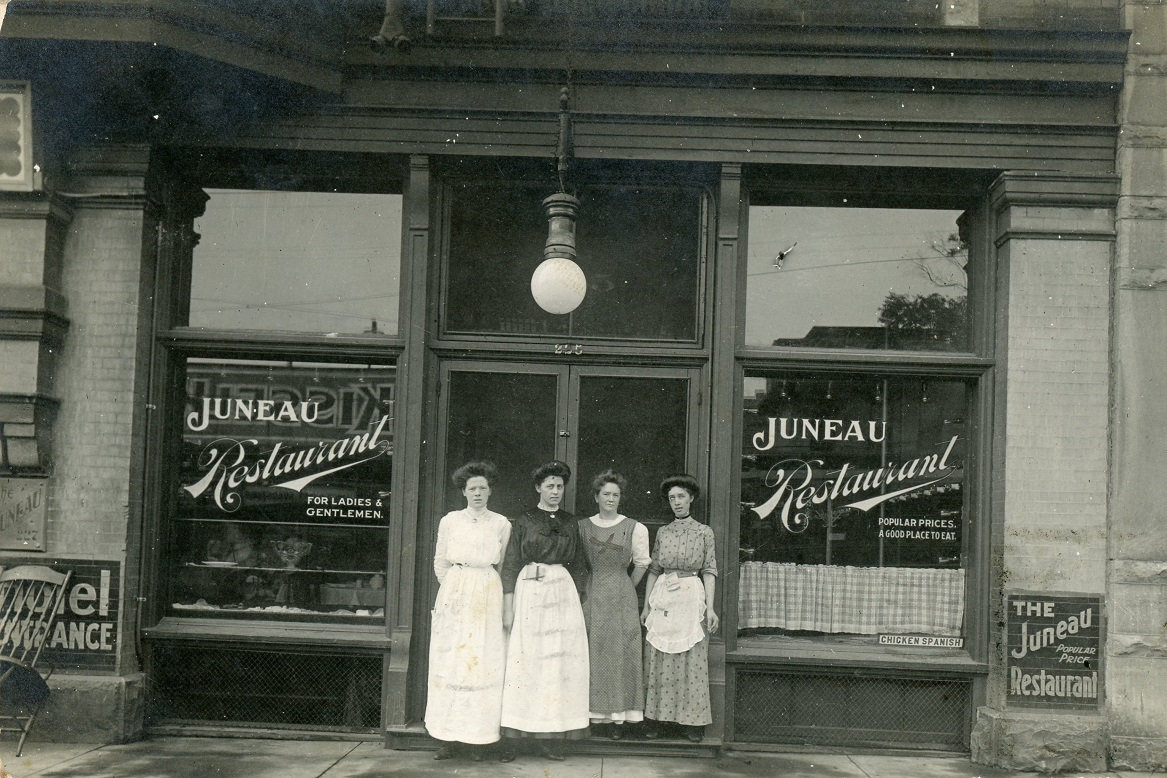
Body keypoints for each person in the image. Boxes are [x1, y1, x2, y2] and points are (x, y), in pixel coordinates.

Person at [498, 460, 590, 761]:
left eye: (559, 486)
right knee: (526, 662)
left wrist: (576, 601)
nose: (555, 491)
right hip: (530, 592)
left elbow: (577, 564)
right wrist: (508, 607)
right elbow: (511, 563)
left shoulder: (570, 522)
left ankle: (549, 737)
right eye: (549, 486)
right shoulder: (524, 520)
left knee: (556, 665)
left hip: (561, 593)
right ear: (538, 487)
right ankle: (515, 736)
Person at [425, 461, 512, 761]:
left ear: (490, 492)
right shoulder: (450, 521)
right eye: (472, 488)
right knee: (452, 661)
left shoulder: (501, 523)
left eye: (483, 488)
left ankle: (478, 740)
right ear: (463, 491)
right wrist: (454, 587)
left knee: (482, 662)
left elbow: (503, 566)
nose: (478, 493)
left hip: (486, 592)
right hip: (455, 590)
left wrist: (481, 585)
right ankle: (448, 739)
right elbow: (440, 562)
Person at [640, 474, 719, 743]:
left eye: (681, 497)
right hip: (664, 597)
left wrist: (710, 608)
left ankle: (691, 723)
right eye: (672, 498)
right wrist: (647, 606)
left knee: (690, 659)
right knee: (659, 658)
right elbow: (653, 569)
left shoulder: (704, 532)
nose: (677, 503)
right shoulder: (663, 532)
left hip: (690, 596)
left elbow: (709, 570)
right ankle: (656, 719)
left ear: (691, 498)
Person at [578, 470, 651, 740]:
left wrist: (626, 585)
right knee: (594, 651)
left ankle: (618, 720)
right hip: (593, 592)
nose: (610, 498)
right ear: (596, 496)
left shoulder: (634, 527)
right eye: (606, 494)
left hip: (622, 593)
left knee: (621, 653)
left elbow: (643, 563)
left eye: (615, 494)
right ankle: (595, 717)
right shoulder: (583, 526)